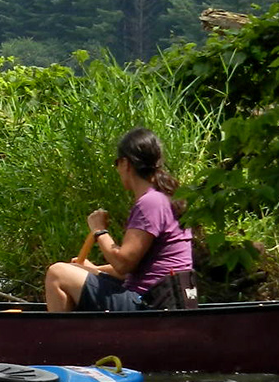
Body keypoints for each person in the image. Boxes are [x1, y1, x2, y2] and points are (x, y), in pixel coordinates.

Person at [44, 127, 196, 312]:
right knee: (73, 271)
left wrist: (99, 230)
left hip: (150, 303)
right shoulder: (164, 197)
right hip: (160, 299)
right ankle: (74, 337)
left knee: (57, 273)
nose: (117, 170)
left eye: (116, 163)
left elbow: (124, 264)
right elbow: (134, 269)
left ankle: (58, 340)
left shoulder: (151, 202)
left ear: (125, 163)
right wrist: (94, 269)